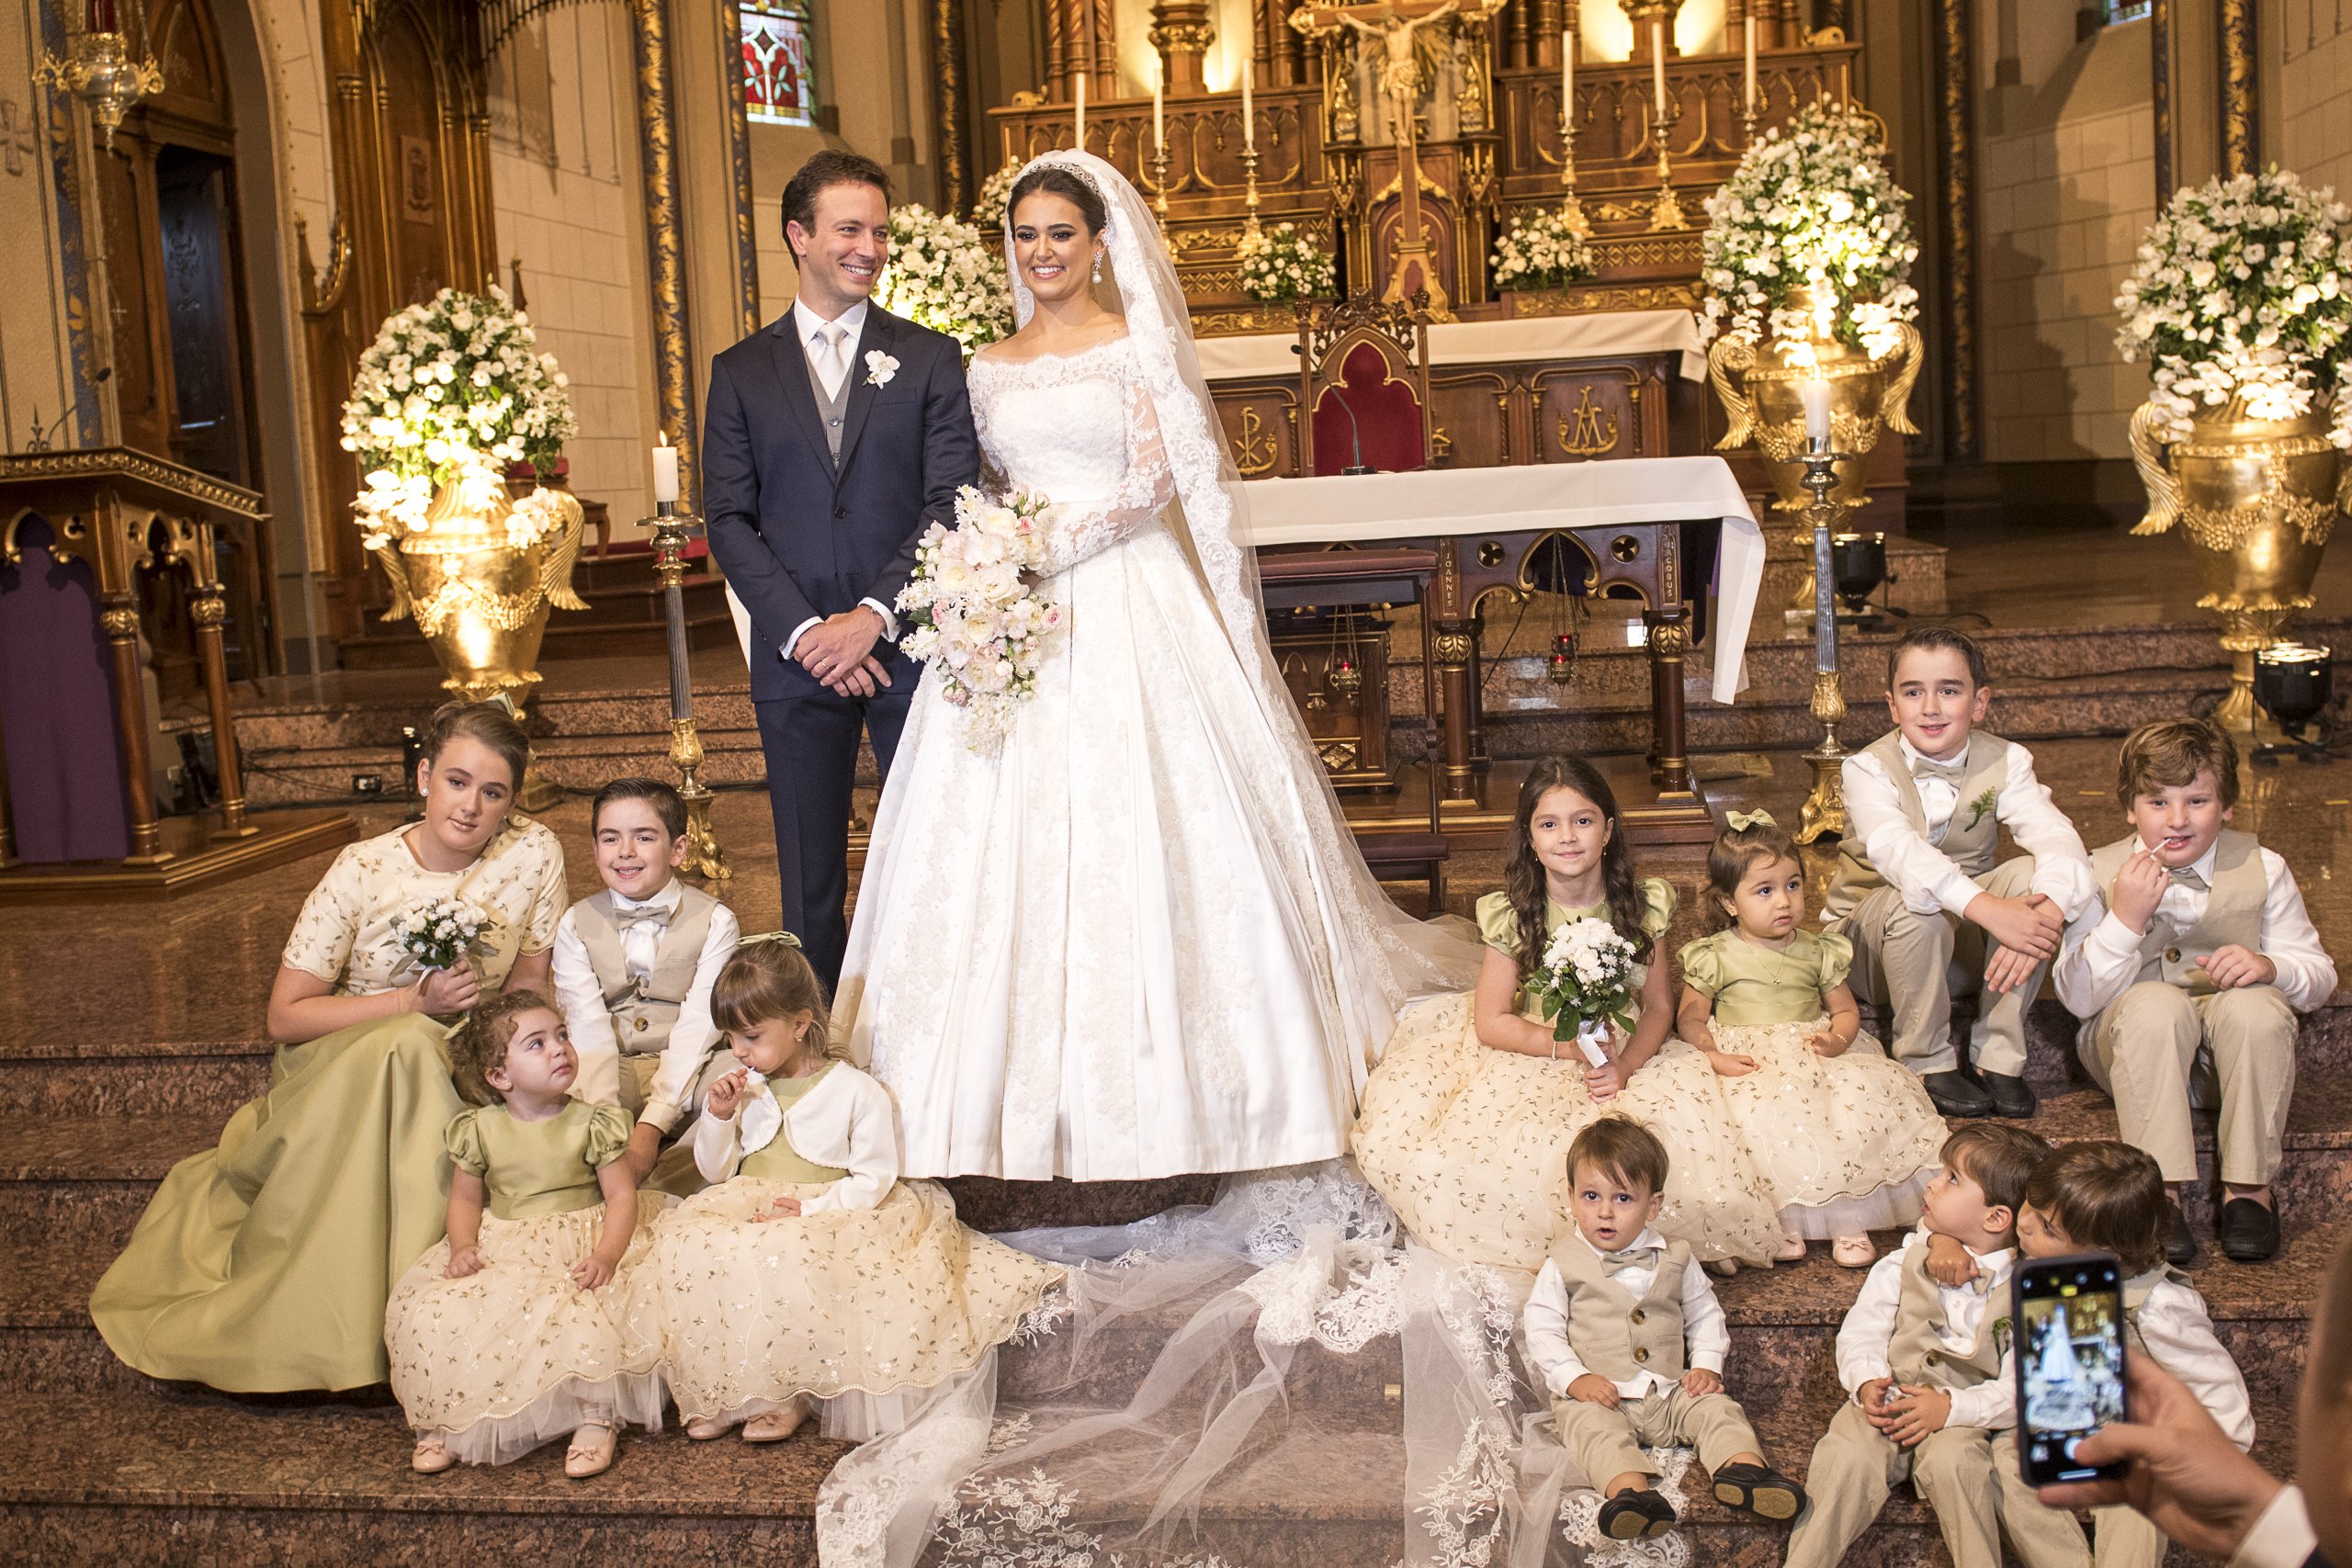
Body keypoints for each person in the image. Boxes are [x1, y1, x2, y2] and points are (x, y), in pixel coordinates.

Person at [834, 149, 1478, 1180]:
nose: (1042, 252)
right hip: (1014, 611)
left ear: (1099, 245)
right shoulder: (984, 365)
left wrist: (1035, 549)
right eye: (1025, 235)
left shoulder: (1135, 347)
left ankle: (1204, 1098)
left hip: (1125, 591)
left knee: (1151, 813)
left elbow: (1152, 483)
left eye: (1061, 233)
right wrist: (987, 561)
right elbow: (976, 487)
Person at [91, 701, 569, 1392]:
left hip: (470, 1048)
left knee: (426, 1054)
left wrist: (514, 1062)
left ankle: (435, 1319)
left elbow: (527, 984)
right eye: (456, 781)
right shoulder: (362, 868)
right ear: (424, 777)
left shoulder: (533, 852)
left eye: (493, 793)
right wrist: (412, 1004)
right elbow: (285, 1016)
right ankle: (368, 1332)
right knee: (408, 1048)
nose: (470, 807)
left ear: (513, 802)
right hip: (346, 1054)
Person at [703, 149, 979, 989]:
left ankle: (926, 1023)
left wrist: (870, 618)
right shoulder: (740, 371)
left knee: (927, 864)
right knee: (809, 883)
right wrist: (806, 633)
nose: (870, 248)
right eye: (850, 229)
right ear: (800, 235)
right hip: (796, 662)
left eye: (880, 232)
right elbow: (729, 520)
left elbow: (950, 499)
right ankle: (812, 1038)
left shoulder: (928, 357)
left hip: (907, 651)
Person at [1354, 758, 1782, 1271]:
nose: (1567, 837)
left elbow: (1658, 1006)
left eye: (1583, 820)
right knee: (1495, 1155)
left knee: (1670, 1141)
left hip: (1626, 1049)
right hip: (1538, 1048)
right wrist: (1567, 1047)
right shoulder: (1513, 913)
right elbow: (1491, 1021)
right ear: (1530, 840)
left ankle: (1683, 1236)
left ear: (1608, 831)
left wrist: (1625, 1065)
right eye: (1549, 824)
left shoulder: (1643, 905)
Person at [639, 935, 1063, 1442]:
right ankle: (730, 1389)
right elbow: (715, 1173)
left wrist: (810, 1210)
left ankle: (791, 1394)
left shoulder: (855, 1091)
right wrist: (718, 1116)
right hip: (748, 1199)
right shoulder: (748, 1089)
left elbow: (873, 1179)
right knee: (694, 1245)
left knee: (789, 1255)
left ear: (800, 1024)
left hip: (826, 1210)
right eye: (730, 1038)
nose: (738, 1051)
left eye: (750, 1036)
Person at [2053, 718, 2334, 1263]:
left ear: (2227, 806)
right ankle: (2159, 1192)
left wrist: (2270, 965)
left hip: (2227, 1069)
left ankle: (2249, 1190)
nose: (2177, 820)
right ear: (2130, 808)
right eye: (2158, 802)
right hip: (2132, 1055)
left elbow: (2319, 978)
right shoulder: (2096, 872)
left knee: (2258, 1009)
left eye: (2197, 801)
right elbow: (2078, 999)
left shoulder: (2265, 867)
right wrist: (2125, 920)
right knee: (2155, 1006)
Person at [1642, 808, 1945, 1269]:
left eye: (1793, 885)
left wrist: (1838, 1040)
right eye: (1764, 891)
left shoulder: (1818, 950)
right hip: (1746, 1059)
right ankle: (1781, 1219)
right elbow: (1691, 1018)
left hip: (1812, 1052)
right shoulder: (1714, 954)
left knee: (1847, 1113)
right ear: (1728, 903)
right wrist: (1713, 1055)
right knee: (1754, 1119)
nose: (1783, 901)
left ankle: (1848, 1218)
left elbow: (1845, 1010)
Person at [1784, 1123, 2093, 1568]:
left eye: (1952, 1179)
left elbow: (2021, 1388)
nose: (1931, 1183)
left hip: (1962, 1412)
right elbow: (1862, 1330)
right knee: (1845, 1459)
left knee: (1958, 1466)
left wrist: (1950, 1409)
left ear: (1996, 1218)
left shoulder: (2031, 1290)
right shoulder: (1902, 1263)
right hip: (1889, 1398)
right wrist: (1866, 1380)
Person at [1820, 626, 2098, 1119]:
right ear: (1892, 706)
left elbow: (2058, 837)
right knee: (1915, 901)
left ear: (1980, 702)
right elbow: (1900, 852)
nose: (1930, 707)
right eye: (1913, 693)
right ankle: (1925, 1059)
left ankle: (1999, 1056)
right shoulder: (1866, 768)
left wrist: (2045, 914)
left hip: (1960, 949)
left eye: (1949, 691)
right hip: (1871, 951)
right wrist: (1993, 911)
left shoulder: (2008, 760)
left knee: (2033, 878)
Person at [384, 992, 663, 1478]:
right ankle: (450, 1418)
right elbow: (465, 1199)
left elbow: (622, 1197)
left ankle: (596, 1415)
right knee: (445, 1312)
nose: (559, 1049)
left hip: (582, 1238)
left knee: (584, 1313)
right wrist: (463, 1246)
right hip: (507, 1243)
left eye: (562, 1036)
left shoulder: (593, 1123)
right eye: (537, 1043)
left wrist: (607, 1255)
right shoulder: (478, 1129)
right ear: (499, 1076)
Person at [1522, 1117, 1807, 1541]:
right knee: (1592, 1431)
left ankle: (1743, 1470)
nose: (1604, 1211)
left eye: (1623, 1198)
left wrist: (1706, 1366)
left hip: (1670, 1391)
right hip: (1602, 1396)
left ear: (1653, 1206)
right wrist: (1575, 1378)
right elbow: (1542, 1328)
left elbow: (1704, 1313)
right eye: (1591, 1196)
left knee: (1717, 1410)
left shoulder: (1676, 1256)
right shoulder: (1562, 1262)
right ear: (1571, 1198)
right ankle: (1632, 1495)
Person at [1993, 1139, 2254, 1568]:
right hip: (2060, 1428)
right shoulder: (2036, 1273)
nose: (2023, 1224)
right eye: (2029, 1204)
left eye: (2048, 1229)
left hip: (2130, 1441)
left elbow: (2221, 1396)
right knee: (2006, 1465)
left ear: (2104, 1254)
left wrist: (2206, 1460)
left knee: (2136, 1503)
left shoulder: (2158, 1307)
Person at [550, 777, 741, 1185]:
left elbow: (700, 1024)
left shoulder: (716, 921)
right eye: (610, 838)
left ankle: (674, 1181)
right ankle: (606, 1171)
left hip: (693, 1063)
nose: (625, 851)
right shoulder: (575, 923)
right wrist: (606, 1121)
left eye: (644, 837)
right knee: (555, 1087)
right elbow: (587, 1028)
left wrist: (651, 1126)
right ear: (595, 850)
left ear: (678, 850)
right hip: (610, 1065)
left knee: (746, 1083)